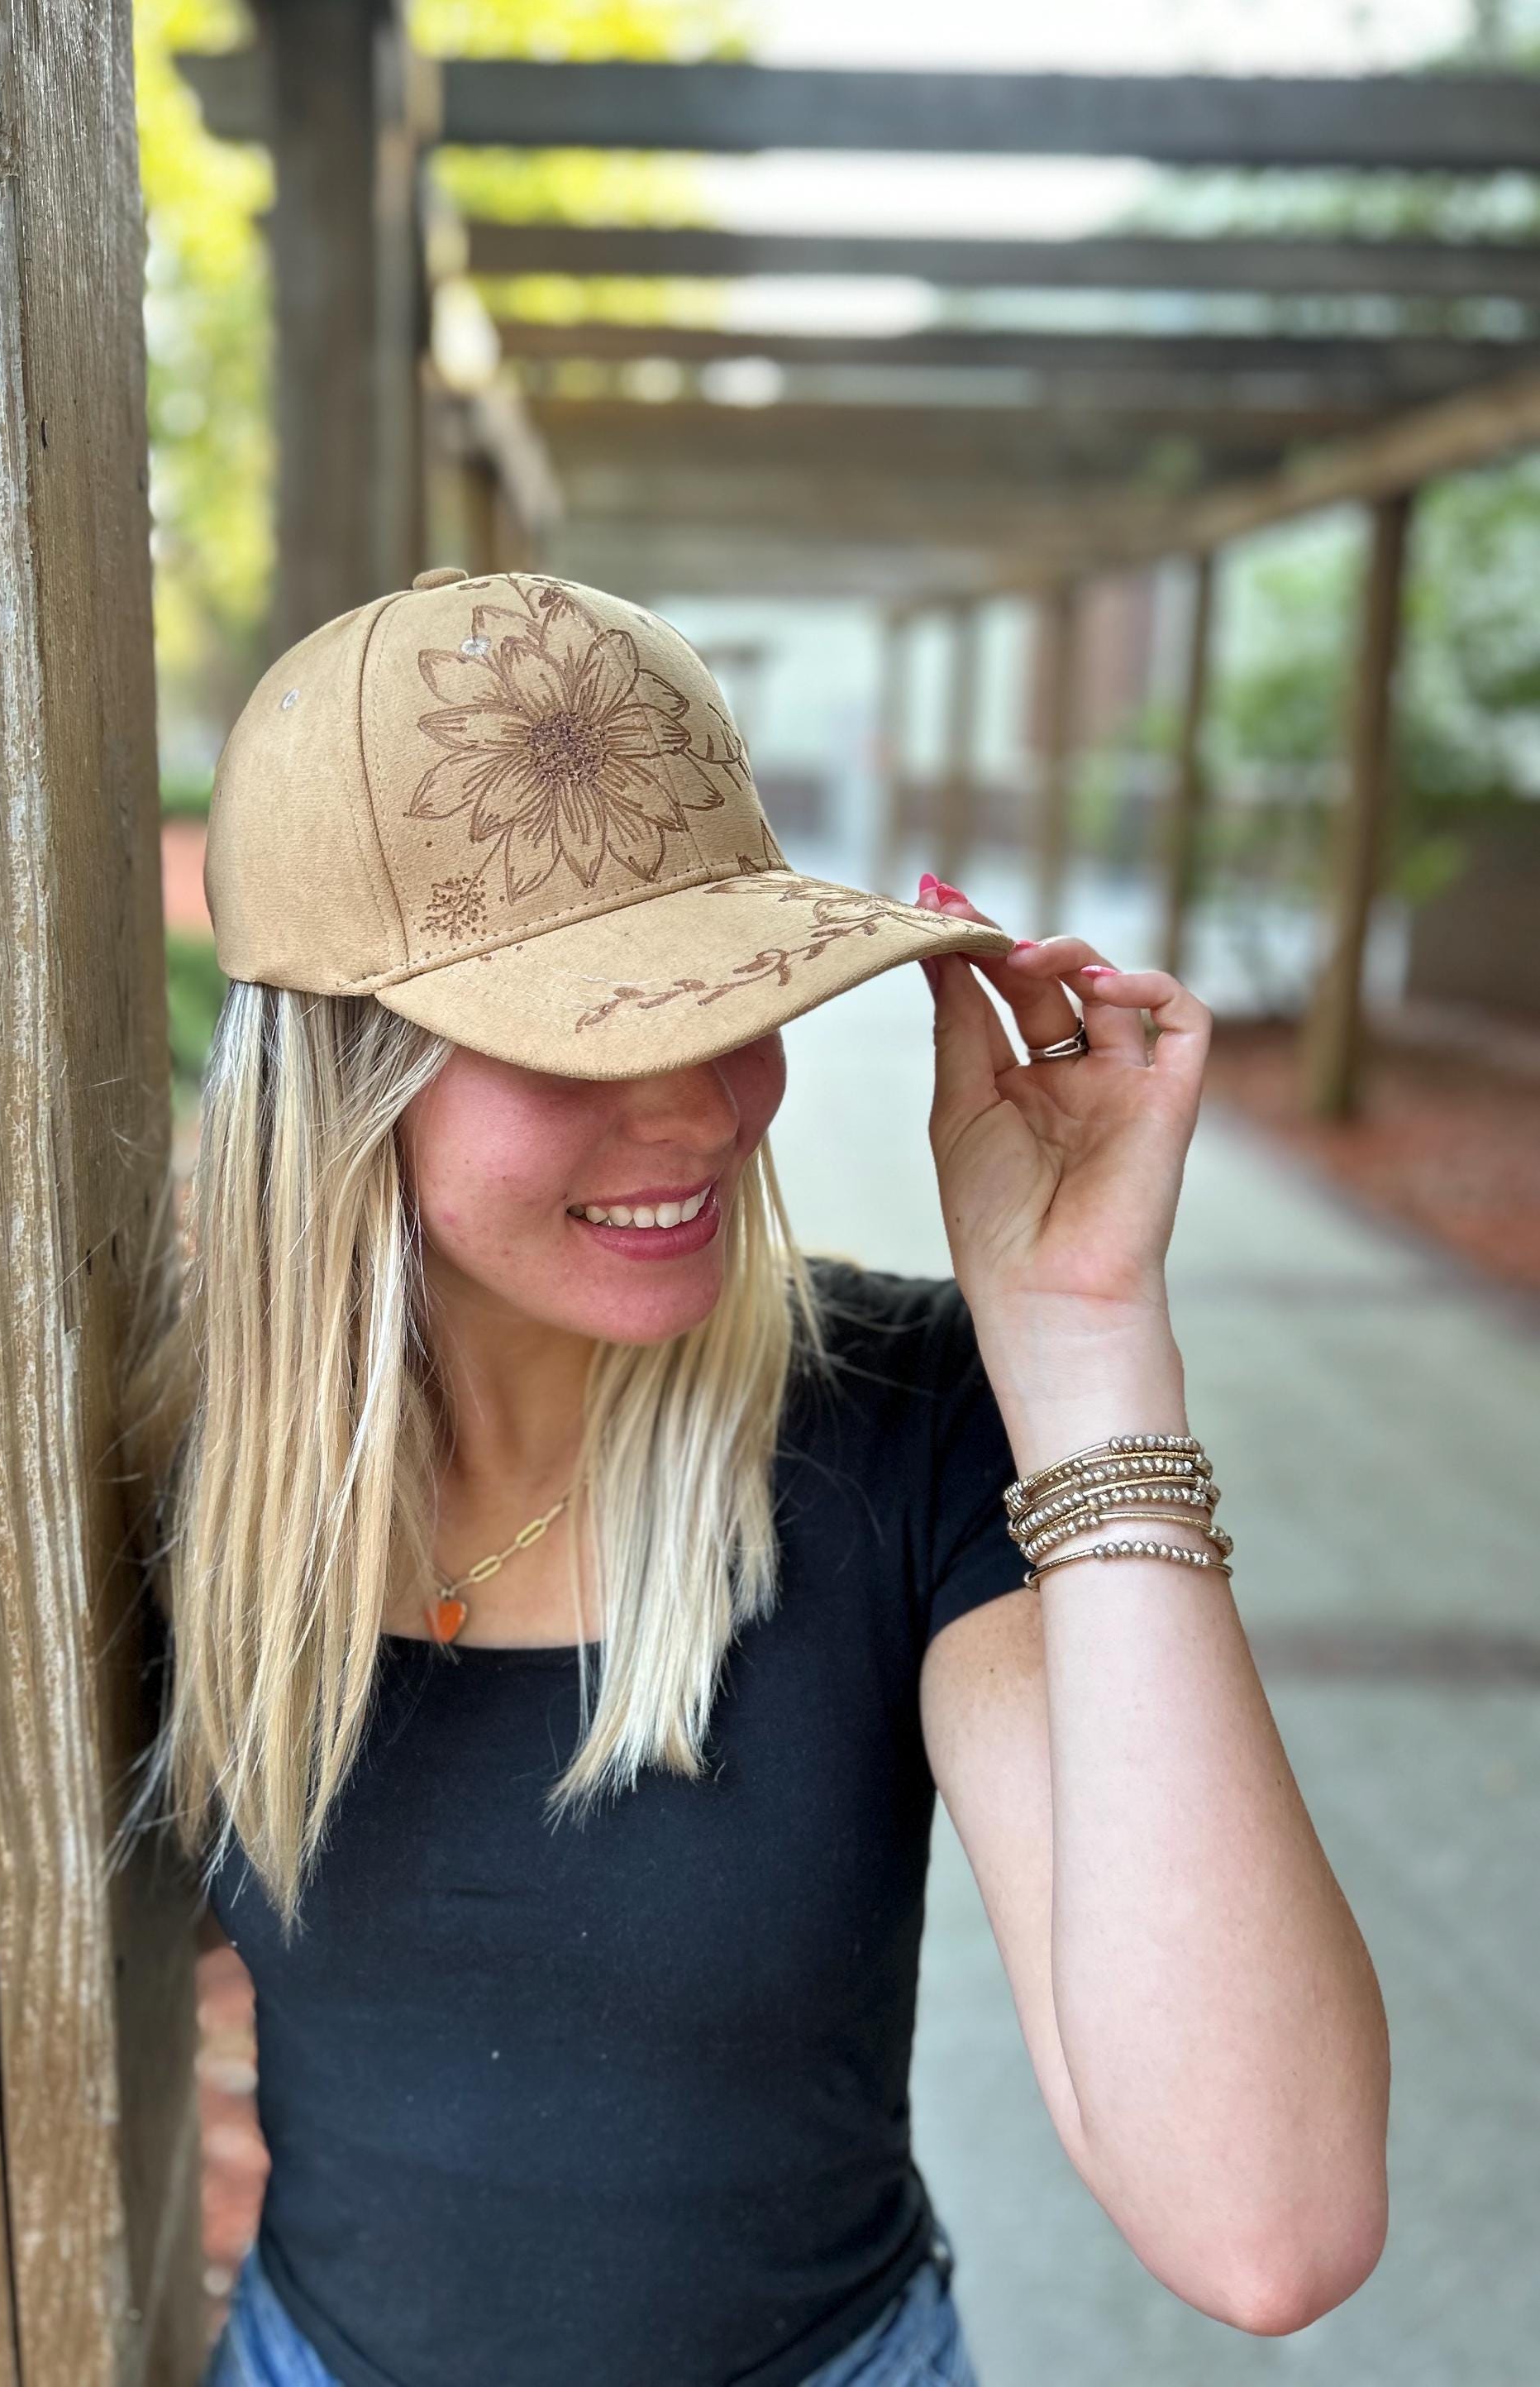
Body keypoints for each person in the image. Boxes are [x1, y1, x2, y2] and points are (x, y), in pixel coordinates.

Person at [118, 570, 1390, 2387]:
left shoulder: (908, 1424)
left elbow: (1269, 2226)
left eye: (736, 1000)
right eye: (594, 1031)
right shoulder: (178, 1472)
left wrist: (1086, 1331)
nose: (710, 1107)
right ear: (342, 1078)